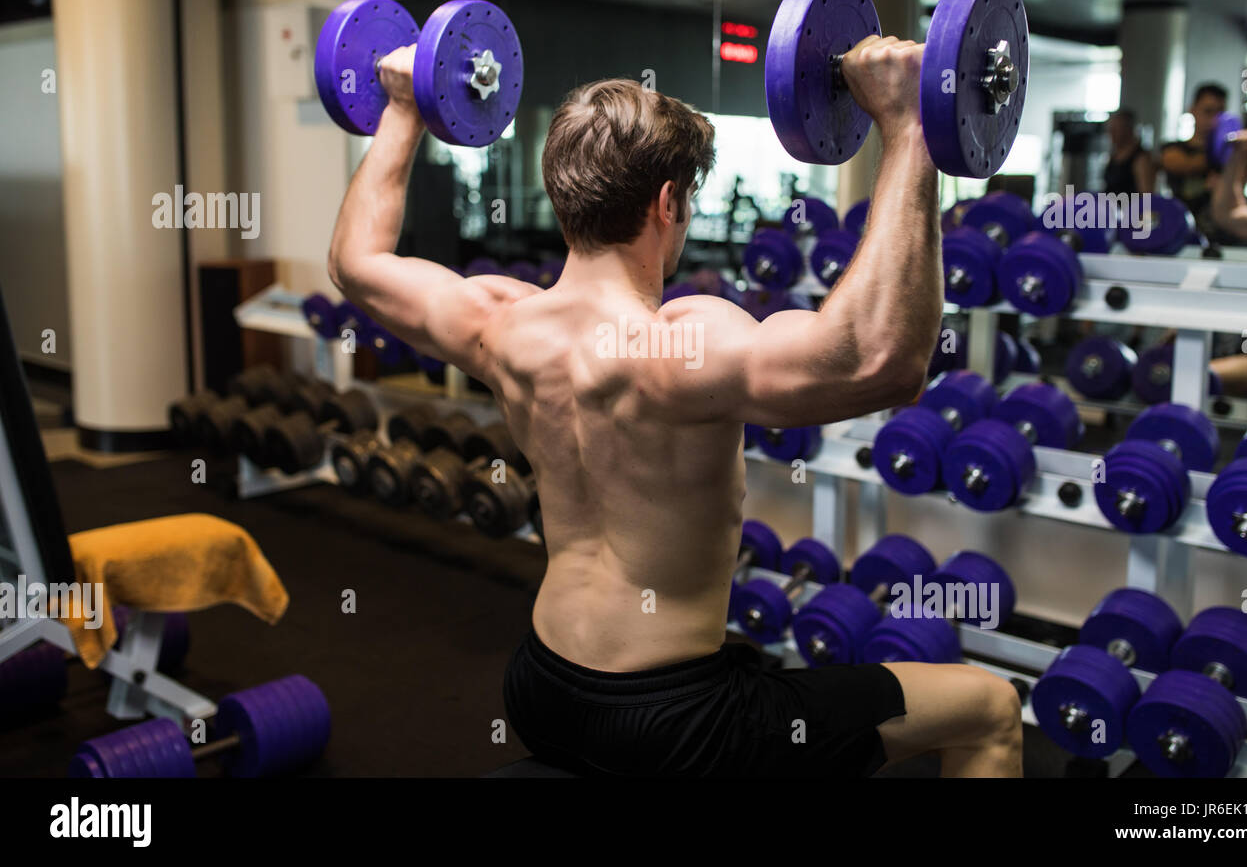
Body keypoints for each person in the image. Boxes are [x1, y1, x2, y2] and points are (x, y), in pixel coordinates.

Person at [326, 38, 1024, 778]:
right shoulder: (683, 346)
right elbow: (887, 363)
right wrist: (909, 129)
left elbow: (356, 265)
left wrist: (401, 109)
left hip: (541, 682)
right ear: (668, 203)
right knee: (989, 712)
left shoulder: (499, 324)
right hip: (677, 721)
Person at [1160, 82, 1227, 221]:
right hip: (1181, 228)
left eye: (1220, 113)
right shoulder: (1173, 149)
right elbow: (1182, 164)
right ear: (1192, 110)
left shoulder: (1229, 153)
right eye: (1208, 111)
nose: (1214, 120)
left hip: (1222, 233)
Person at [1103, 108, 1155, 195]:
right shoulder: (1115, 154)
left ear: (1128, 130)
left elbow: (1146, 194)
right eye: (1111, 129)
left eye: (1116, 129)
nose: (1111, 133)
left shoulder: (1140, 158)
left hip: (1130, 207)